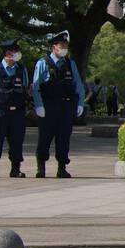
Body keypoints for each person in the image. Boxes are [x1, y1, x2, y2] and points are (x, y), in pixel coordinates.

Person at [32, 31, 86, 178]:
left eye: (65, 45)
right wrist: (38, 105)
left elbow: (78, 85)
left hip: (65, 106)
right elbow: (36, 86)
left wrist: (81, 103)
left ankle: (62, 167)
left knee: (64, 138)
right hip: (48, 106)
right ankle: (41, 166)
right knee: (45, 137)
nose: (64, 48)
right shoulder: (43, 63)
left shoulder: (70, 64)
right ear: (54, 46)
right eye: (61, 45)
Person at [0, 38, 31, 179]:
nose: (17, 53)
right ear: (8, 53)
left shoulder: (22, 69)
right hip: (1, 111)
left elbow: (25, 88)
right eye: (15, 51)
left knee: (17, 140)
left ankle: (15, 169)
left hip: (18, 112)